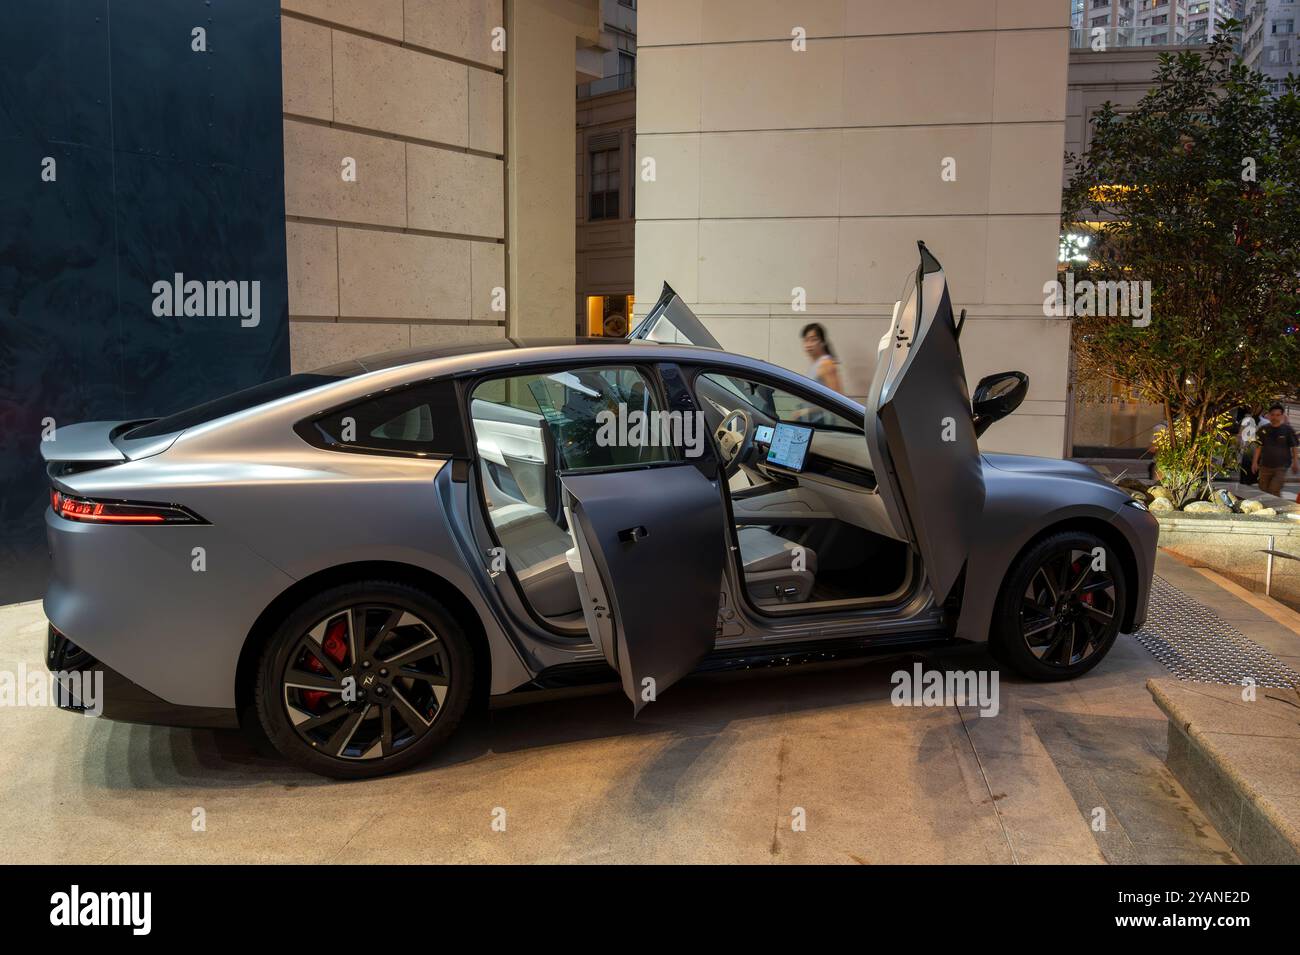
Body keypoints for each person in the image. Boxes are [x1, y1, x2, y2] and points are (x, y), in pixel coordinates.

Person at [1252, 403, 1298, 497]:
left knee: (1274, 490)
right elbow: (1258, 446)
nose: (1275, 417)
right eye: (1272, 414)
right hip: (1265, 466)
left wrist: (1295, 463)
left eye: (1278, 415)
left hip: (1281, 467)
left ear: (1282, 416)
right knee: (1263, 491)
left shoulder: (1287, 430)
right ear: (1269, 415)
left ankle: (1276, 508)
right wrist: (1254, 462)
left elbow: (1294, 447)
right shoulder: (1263, 430)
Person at [801, 323, 843, 393]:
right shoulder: (816, 363)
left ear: (823, 342)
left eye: (813, 340)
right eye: (806, 340)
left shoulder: (826, 364)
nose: (808, 344)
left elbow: (837, 397)